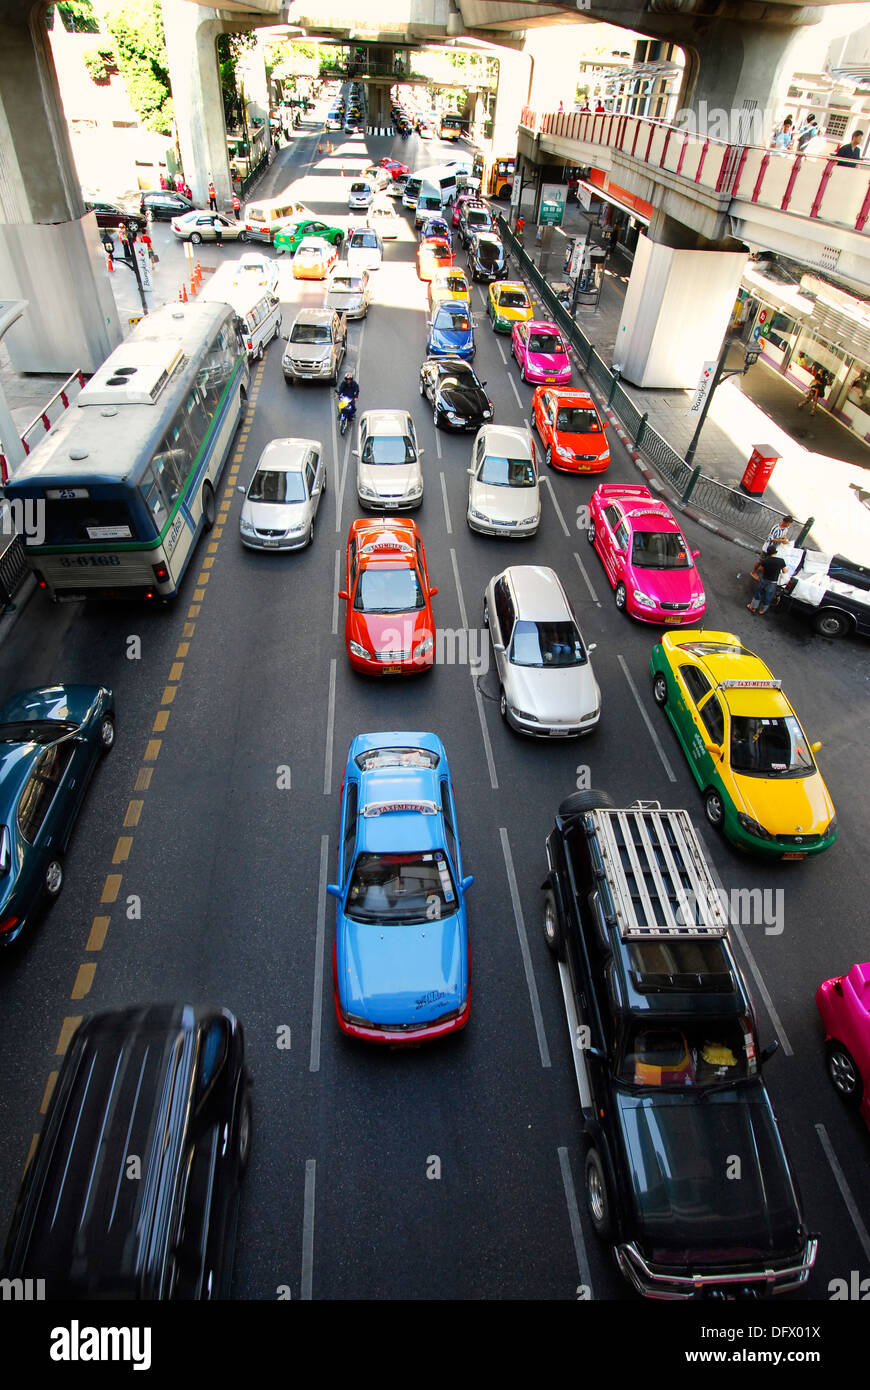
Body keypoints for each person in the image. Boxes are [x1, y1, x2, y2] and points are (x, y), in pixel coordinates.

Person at [747, 543, 786, 615]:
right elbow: (785, 571)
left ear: (768, 553)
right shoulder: (781, 561)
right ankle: (762, 610)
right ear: (775, 552)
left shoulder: (766, 560)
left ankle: (753, 607)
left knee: (758, 593)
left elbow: (761, 569)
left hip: (764, 579)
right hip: (773, 582)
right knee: (768, 596)